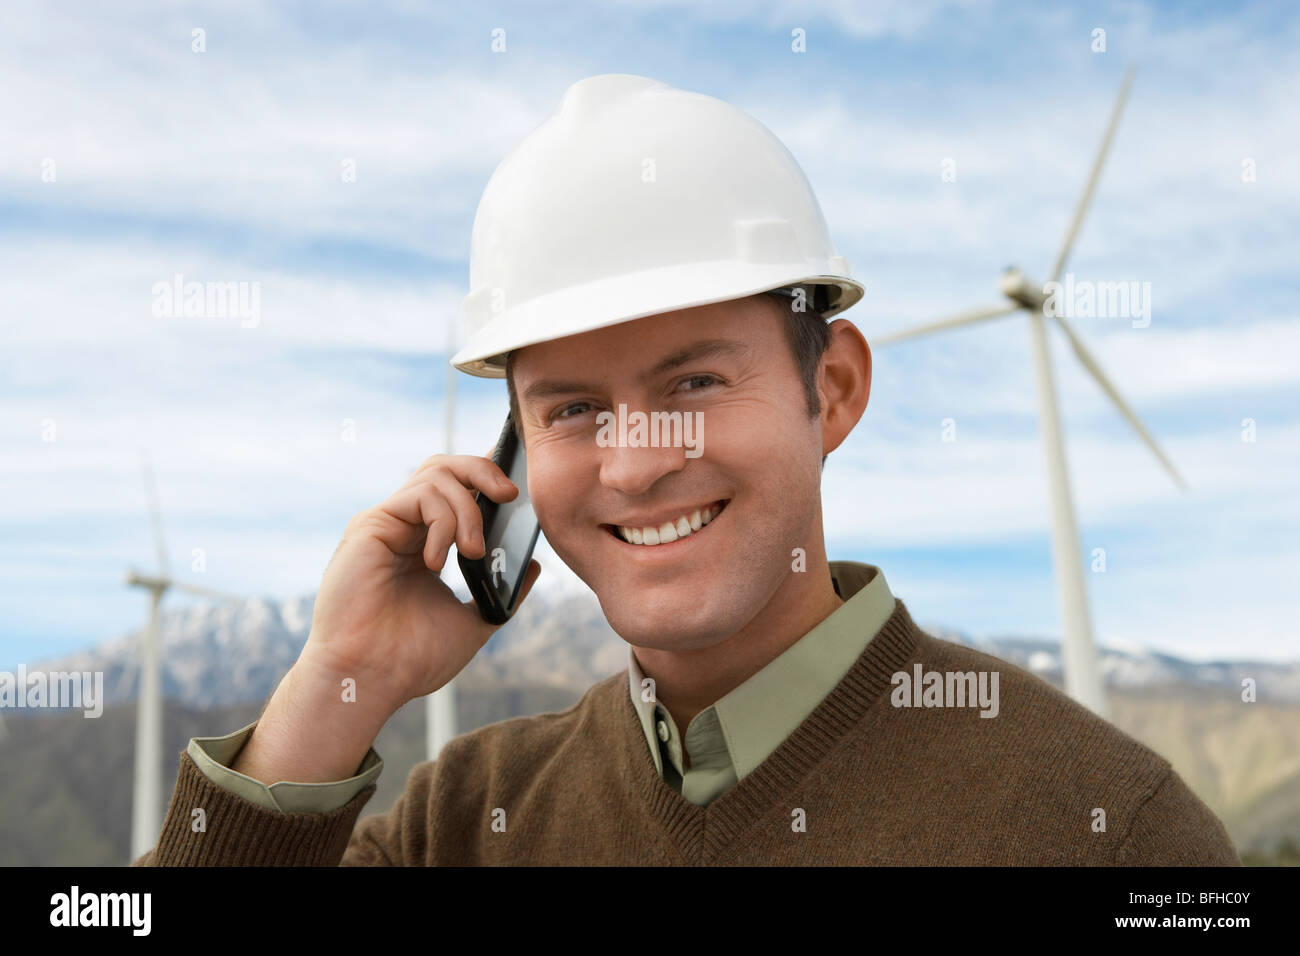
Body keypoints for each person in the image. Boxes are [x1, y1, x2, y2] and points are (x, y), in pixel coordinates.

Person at [133, 74, 1239, 866]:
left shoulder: (1106, 824)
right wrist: (342, 682)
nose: (633, 462)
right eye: (571, 409)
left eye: (694, 384)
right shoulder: (463, 821)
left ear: (835, 387)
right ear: (510, 453)